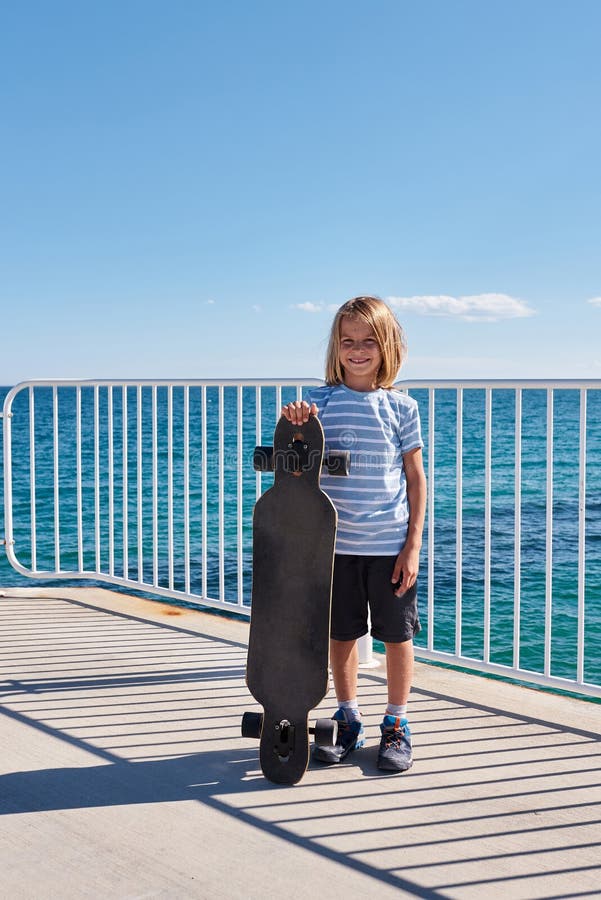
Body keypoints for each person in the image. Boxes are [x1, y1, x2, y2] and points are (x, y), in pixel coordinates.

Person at [282, 296, 426, 772]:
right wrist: (295, 425)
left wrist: (412, 545)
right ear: (336, 346)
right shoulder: (318, 403)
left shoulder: (402, 407)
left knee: (396, 637)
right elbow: (295, 463)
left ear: (386, 346)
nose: (358, 350)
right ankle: (348, 718)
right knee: (341, 636)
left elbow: (415, 478)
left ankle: (396, 723)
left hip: (388, 547)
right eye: (348, 341)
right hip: (334, 547)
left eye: (368, 341)